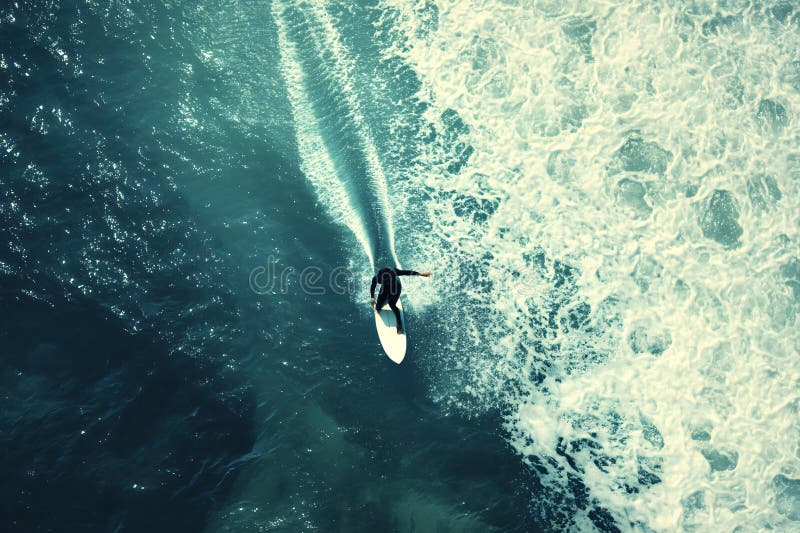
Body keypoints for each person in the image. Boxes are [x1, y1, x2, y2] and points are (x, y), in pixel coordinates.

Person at [370, 267, 431, 334]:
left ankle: (399, 325)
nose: (387, 280)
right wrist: (372, 297)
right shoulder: (376, 278)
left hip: (396, 287)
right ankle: (387, 297)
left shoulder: (393, 272)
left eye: (388, 279)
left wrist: (420, 273)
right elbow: (373, 286)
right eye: (385, 279)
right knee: (378, 308)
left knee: (392, 305)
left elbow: (405, 272)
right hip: (385, 288)